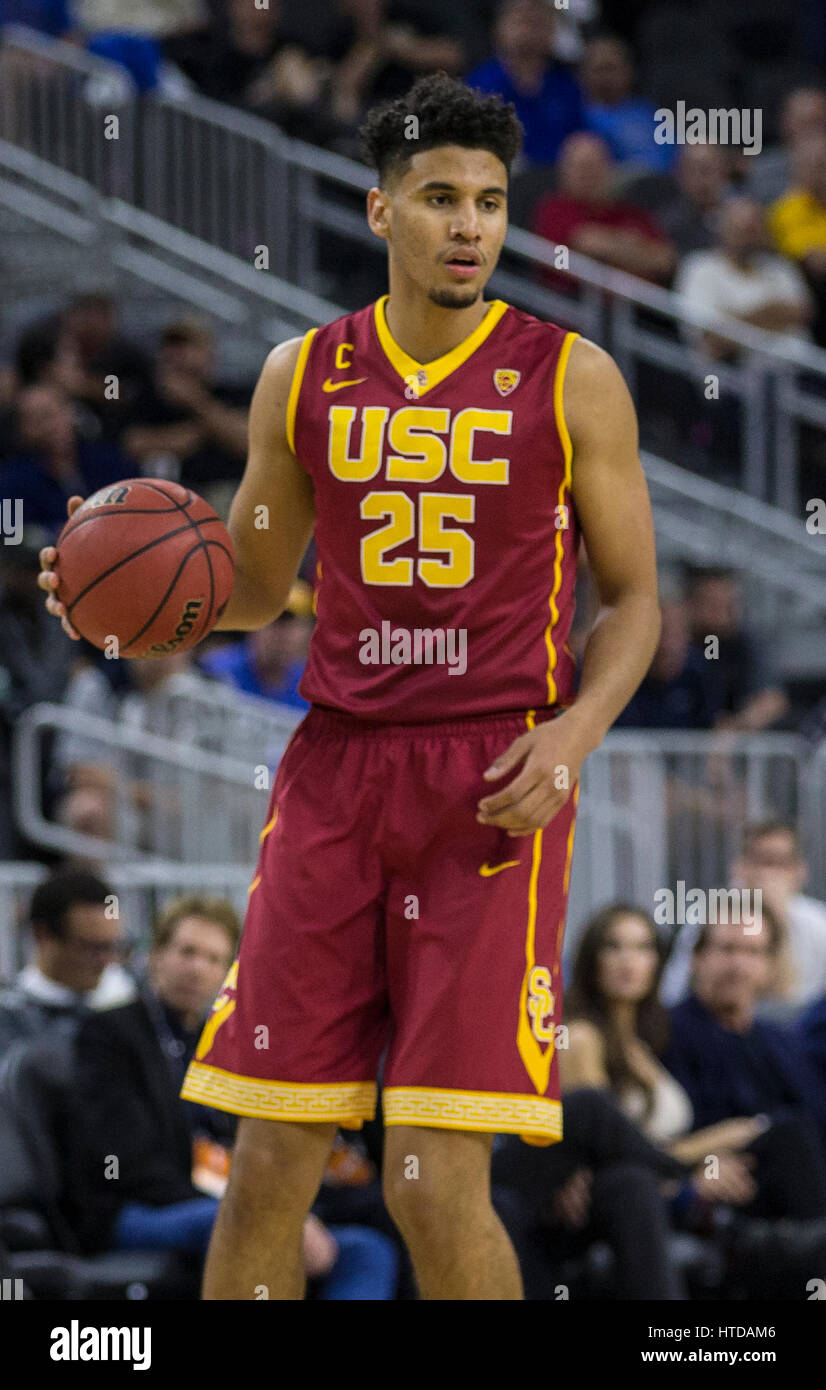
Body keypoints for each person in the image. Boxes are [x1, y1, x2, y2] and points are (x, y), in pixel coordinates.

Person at [39, 71, 661, 1301]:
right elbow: (250, 586)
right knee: (266, 1159)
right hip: (333, 772)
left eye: (488, 201)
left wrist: (574, 735)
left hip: (491, 779)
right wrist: (111, 598)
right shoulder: (301, 372)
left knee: (429, 1175)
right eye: (439, 198)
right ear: (379, 210)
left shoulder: (571, 374)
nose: (469, 225)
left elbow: (635, 600)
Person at [63, 893, 398, 1298]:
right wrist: (248, 1205)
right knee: (247, 1223)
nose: (197, 968)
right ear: (156, 955)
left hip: (224, 1201)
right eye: (187, 952)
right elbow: (124, 1159)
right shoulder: (109, 1033)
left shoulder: (225, 1041)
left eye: (213, 958)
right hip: (136, 1208)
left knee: (367, 1250)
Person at [661, 820, 826, 1015]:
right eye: (760, 861)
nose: (768, 873)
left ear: (800, 871)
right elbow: (673, 990)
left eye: (780, 863)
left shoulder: (818, 923)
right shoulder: (710, 915)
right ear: (740, 867)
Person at [0, 868, 135, 1057]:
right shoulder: (10, 1017)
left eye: (113, 946)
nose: (106, 960)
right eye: (92, 947)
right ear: (42, 935)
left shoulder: (136, 998)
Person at [119, 318, 248, 505]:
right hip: (165, 494)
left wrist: (195, 401)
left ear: (208, 353)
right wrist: (205, 430)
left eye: (186, 346)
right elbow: (133, 445)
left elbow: (246, 442)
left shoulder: (233, 393)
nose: (176, 355)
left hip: (224, 491)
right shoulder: (148, 397)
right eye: (170, 346)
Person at [676, 197, 813, 359]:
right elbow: (710, 338)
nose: (747, 238)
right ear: (722, 229)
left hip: (800, 368)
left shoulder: (780, 268)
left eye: (753, 229)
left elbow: (803, 312)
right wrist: (772, 312)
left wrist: (734, 320)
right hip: (729, 370)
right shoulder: (699, 267)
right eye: (740, 230)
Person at [534, 133, 676, 288]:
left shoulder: (630, 213)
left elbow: (665, 261)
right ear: (563, 171)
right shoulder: (554, 209)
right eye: (580, 167)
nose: (587, 174)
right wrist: (632, 245)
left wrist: (608, 249)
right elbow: (587, 243)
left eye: (594, 166)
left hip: (636, 302)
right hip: (563, 298)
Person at [466, 0, 587, 166]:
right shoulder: (481, 82)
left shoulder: (566, 82)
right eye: (523, 21)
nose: (530, 31)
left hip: (559, 172)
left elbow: (579, 135)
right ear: (500, 28)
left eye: (538, 23)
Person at [0, 384, 126, 537]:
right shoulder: (11, 477)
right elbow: (11, 533)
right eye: (36, 420)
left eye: (52, 415)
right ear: (22, 430)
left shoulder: (106, 458)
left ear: (70, 414)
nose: (49, 426)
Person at [684, 568, 789, 733]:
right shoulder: (674, 642)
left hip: (727, 736)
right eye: (713, 604)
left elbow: (771, 700)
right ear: (691, 605)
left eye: (730, 604)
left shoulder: (745, 645)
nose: (724, 612)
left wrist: (738, 724)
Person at [612, 585, 719, 730]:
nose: (668, 645)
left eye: (677, 633)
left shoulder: (701, 673)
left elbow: (715, 726)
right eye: (660, 632)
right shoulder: (619, 676)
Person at [198, 581, 313, 709]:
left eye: (288, 625)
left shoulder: (311, 691)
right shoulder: (215, 671)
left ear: (307, 632)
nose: (280, 636)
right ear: (253, 624)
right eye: (272, 621)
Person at [580, 33, 674, 173]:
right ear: (584, 74)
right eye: (600, 69)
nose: (607, 77)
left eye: (612, 68)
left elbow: (675, 154)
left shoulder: (648, 112)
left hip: (662, 181)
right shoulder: (578, 117)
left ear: (629, 71)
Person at [768, 133, 826, 346]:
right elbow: (817, 263)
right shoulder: (788, 209)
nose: (822, 173)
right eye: (817, 166)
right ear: (799, 170)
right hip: (812, 298)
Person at [748, 87, 826, 207]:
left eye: (817, 122)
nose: (810, 131)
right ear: (786, 125)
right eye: (803, 123)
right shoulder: (766, 168)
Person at [657, 144, 732, 260]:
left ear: (724, 171)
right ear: (679, 175)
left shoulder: (742, 216)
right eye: (691, 171)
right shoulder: (668, 224)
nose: (699, 179)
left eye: (706, 170)